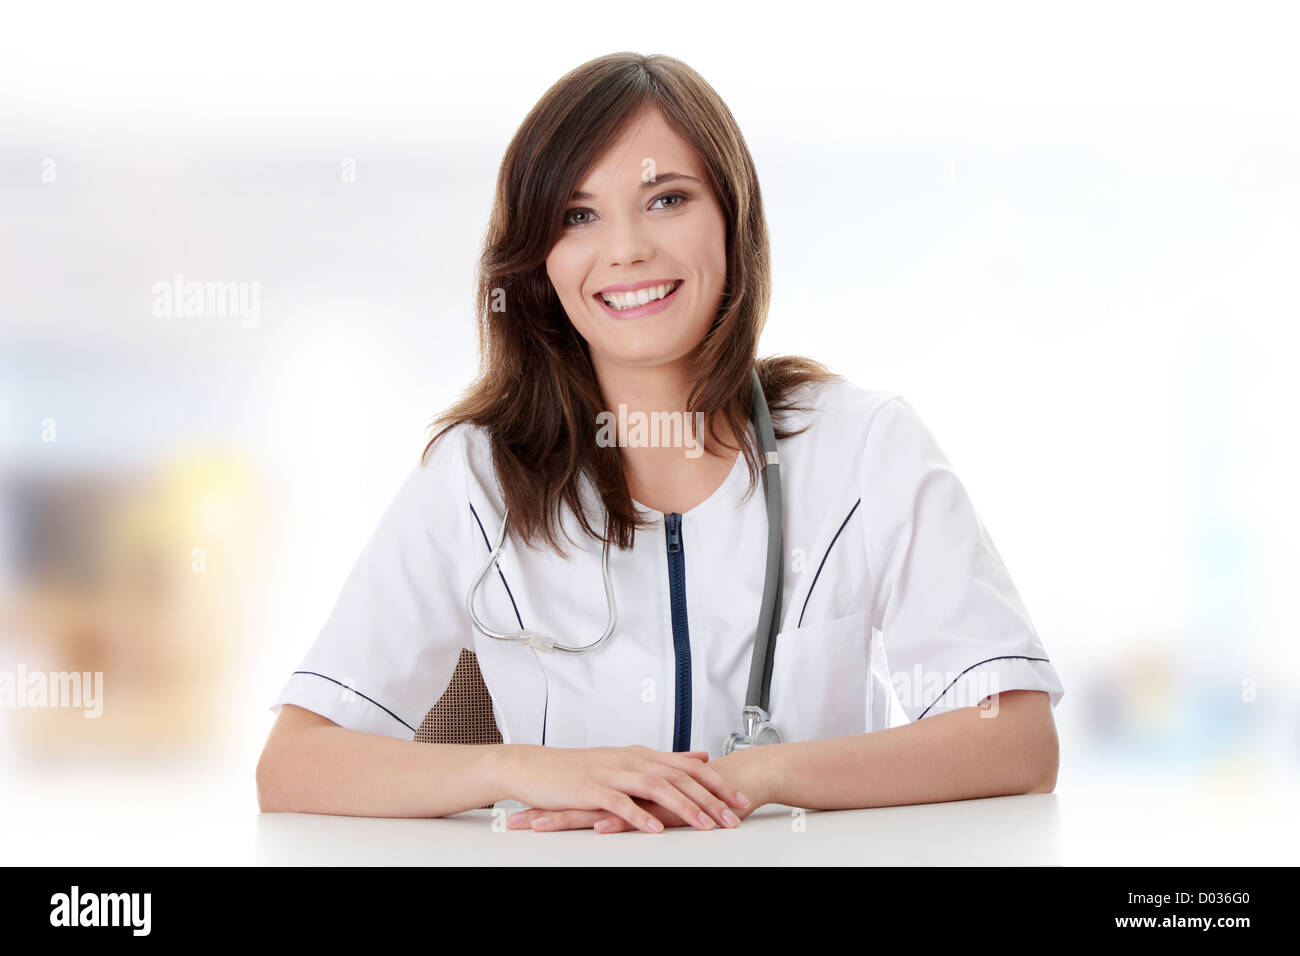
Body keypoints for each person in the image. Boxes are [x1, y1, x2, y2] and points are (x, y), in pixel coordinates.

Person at [256, 52, 1064, 835]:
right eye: (578, 216)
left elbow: (1015, 739)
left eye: (667, 199)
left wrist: (757, 777)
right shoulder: (476, 475)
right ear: (539, 261)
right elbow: (294, 766)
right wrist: (516, 767)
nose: (627, 249)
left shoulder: (861, 447)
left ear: (732, 217)